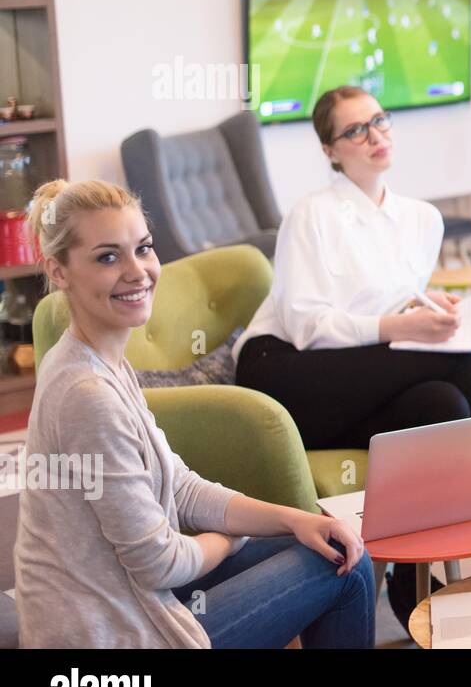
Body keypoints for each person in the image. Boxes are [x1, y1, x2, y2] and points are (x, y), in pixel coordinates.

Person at [14, 179, 374, 648]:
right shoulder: (86, 394)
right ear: (58, 271)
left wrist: (295, 519)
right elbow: (161, 562)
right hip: (109, 637)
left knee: (319, 542)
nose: (137, 271)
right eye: (107, 257)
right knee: (346, 570)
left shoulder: (98, 360)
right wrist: (230, 537)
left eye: (142, 248)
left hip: (127, 597)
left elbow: (180, 486)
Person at [232, 85, 471, 629]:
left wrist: (424, 305)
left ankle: (411, 587)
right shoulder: (311, 214)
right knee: (453, 362)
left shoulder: (422, 219)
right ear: (330, 150)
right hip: (284, 370)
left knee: (440, 400)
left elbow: (383, 304)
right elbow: (308, 327)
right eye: (356, 130)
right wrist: (405, 324)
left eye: (380, 121)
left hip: (355, 376)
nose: (376, 136)